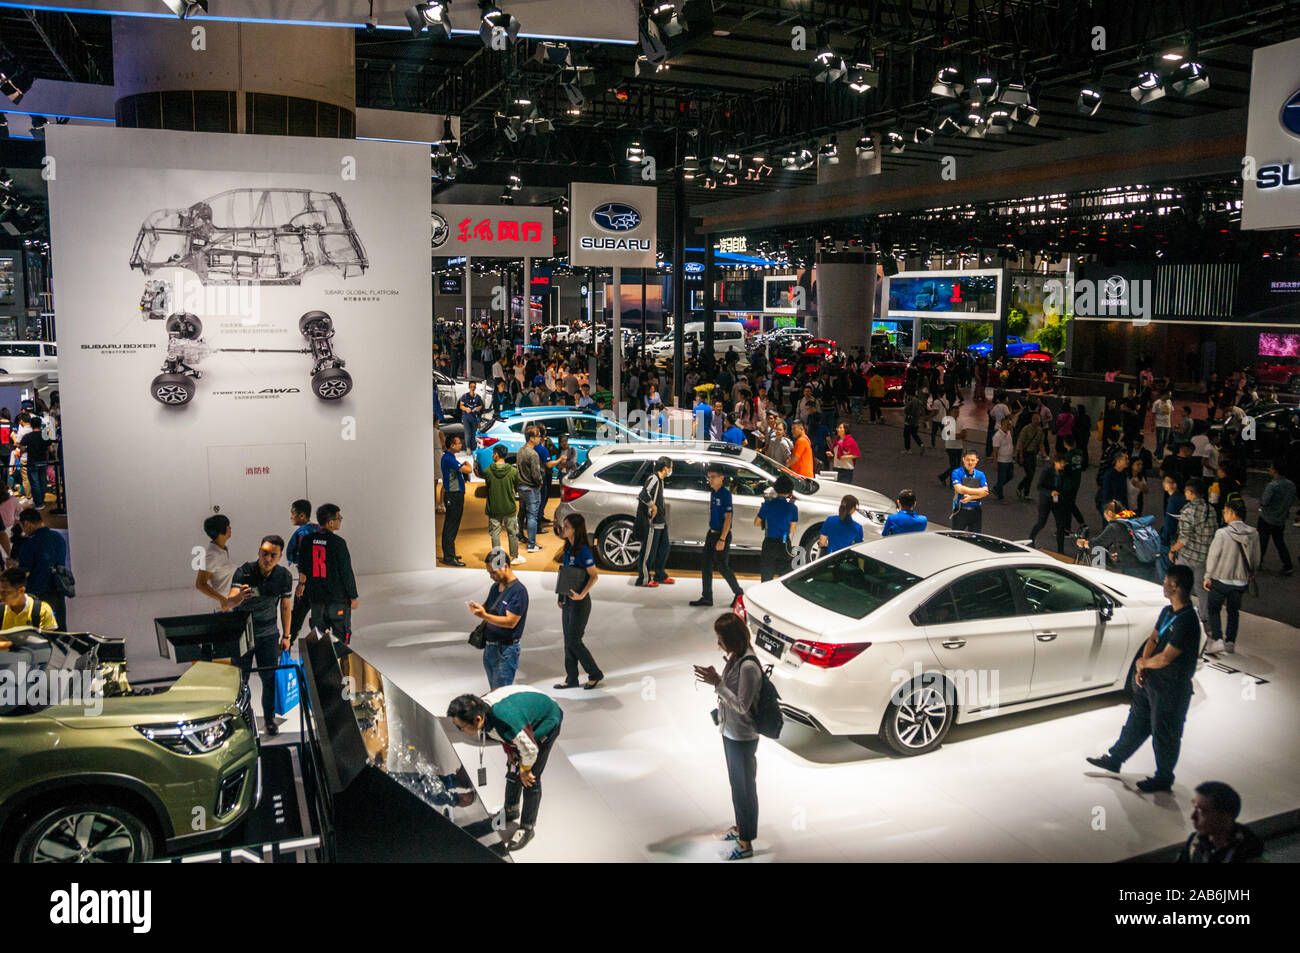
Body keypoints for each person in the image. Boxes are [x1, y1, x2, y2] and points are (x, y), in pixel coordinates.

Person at [1086, 565, 1199, 793]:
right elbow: (1154, 639)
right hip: (1152, 682)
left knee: (1165, 733)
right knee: (1136, 722)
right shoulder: (1168, 612)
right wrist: (1142, 666)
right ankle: (1115, 758)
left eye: (1166, 581)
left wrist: (1143, 663)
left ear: (1175, 585)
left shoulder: (1188, 620)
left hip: (1172, 688)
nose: (1163, 584)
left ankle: (1164, 777)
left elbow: (1167, 657)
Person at [447, 687, 562, 853]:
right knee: (513, 770)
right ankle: (511, 810)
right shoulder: (482, 710)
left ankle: (527, 827)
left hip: (546, 721)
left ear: (478, 719)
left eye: (461, 727)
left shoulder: (506, 720)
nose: (460, 731)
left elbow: (530, 749)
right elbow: (500, 733)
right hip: (521, 722)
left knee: (530, 779)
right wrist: (510, 751)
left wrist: (525, 769)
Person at [693, 613, 763, 861]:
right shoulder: (736, 658)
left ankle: (746, 842)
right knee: (738, 785)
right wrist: (719, 680)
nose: (718, 643)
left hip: (742, 736)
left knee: (744, 787)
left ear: (732, 639)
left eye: (720, 638)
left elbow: (743, 706)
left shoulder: (749, 666)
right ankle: (741, 828)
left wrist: (717, 684)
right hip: (730, 730)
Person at [231, 536, 293, 736]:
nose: (267, 558)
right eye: (264, 553)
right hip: (242, 633)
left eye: (273, 555)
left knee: (269, 678)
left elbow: (285, 606)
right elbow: (230, 601)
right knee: (240, 680)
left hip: (268, 634)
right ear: (258, 551)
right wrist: (240, 596)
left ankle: (269, 719)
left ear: (280, 556)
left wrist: (287, 635)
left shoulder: (284, 576)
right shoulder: (244, 572)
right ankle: (241, 718)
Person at [1202, 498, 1259, 655]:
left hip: (1221, 578)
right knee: (1234, 611)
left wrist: (1207, 576)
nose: (1224, 515)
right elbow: (1256, 558)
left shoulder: (1222, 533)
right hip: (1241, 581)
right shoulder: (1253, 533)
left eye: (1225, 512)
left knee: (1214, 609)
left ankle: (1218, 639)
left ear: (1232, 513)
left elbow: (1213, 557)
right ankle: (1230, 642)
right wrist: (1251, 573)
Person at [295, 503, 358, 644]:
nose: (340, 519)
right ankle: (341, 664)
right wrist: (353, 596)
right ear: (330, 523)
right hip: (337, 601)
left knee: (318, 639)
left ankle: (321, 664)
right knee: (341, 640)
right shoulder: (338, 543)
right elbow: (346, 572)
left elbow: (303, 568)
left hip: (317, 600)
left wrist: (301, 585)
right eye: (338, 517)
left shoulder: (307, 541)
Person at [468, 547, 530, 689]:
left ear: (505, 566)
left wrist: (484, 615)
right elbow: (490, 609)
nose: (491, 576)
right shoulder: (495, 588)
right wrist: (480, 609)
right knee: (493, 691)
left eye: (494, 572)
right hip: (490, 647)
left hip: (506, 651)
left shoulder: (518, 592)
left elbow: (511, 622)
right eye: (489, 573)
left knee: (501, 693)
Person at [552, 514, 602, 690]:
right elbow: (565, 573)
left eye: (566, 526)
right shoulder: (567, 548)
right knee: (568, 640)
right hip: (568, 601)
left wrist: (582, 594)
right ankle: (571, 677)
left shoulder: (583, 551)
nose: (563, 529)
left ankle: (594, 673)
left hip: (580, 603)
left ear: (575, 529)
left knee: (574, 640)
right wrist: (561, 596)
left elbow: (594, 575)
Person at [692, 464, 745, 608]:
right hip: (712, 533)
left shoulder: (725, 494)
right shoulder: (713, 493)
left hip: (722, 535)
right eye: (708, 477)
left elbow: (728, 517)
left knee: (722, 566)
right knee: (706, 565)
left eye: (713, 477)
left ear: (722, 478)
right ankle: (707, 597)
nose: (710, 480)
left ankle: (739, 593)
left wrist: (722, 538)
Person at [1175, 782, 1265, 863]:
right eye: (1194, 807)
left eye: (1201, 811)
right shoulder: (1195, 840)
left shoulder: (1247, 853)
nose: (1192, 816)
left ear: (1225, 818)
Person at [1169, 477, 1217, 625]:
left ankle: (1181, 613)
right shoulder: (1211, 509)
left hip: (1188, 555)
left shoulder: (1188, 511)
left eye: (1186, 492)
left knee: (1181, 586)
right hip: (1204, 555)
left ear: (1190, 492)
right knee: (1201, 588)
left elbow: (1184, 539)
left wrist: (1172, 550)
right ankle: (1204, 617)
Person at [1075, 500, 1153, 580]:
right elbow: (1128, 541)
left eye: (1105, 515)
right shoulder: (1130, 519)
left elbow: (1098, 543)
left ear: (1109, 513)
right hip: (1146, 562)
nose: (1106, 519)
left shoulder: (1114, 525)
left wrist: (1083, 543)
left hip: (1133, 567)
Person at [194, 514, 247, 614]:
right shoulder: (211, 555)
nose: (230, 528)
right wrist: (222, 599)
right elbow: (200, 584)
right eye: (227, 525)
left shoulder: (223, 550)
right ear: (221, 530)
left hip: (233, 604)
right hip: (223, 609)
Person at [483, 444, 526, 565]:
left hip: (493, 507)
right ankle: (515, 556)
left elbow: (488, 487)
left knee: (495, 533)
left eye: (493, 453)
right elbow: (517, 486)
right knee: (512, 532)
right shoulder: (513, 471)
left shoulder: (488, 471)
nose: (492, 455)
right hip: (509, 506)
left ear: (496, 454)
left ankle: (497, 559)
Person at [635, 456, 674, 587]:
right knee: (648, 552)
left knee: (664, 548)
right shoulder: (654, 478)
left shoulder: (660, 481)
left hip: (660, 521)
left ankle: (660, 575)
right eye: (670, 467)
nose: (671, 470)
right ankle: (644, 579)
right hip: (652, 522)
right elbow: (643, 494)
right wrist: (653, 505)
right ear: (665, 468)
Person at [755, 474, 799, 581]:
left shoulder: (767, 505)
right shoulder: (793, 508)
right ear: (790, 491)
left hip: (769, 542)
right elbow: (792, 529)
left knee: (766, 572)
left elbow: (756, 522)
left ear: (775, 488)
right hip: (784, 543)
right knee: (784, 576)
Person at [285, 499, 318, 638]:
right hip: (320, 580)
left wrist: (302, 583)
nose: (291, 517)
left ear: (302, 516)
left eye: (293, 513)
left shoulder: (303, 534)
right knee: (317, 614)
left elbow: (305, 561)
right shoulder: (317, 529)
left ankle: (287, 642)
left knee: (297, 614)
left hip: (308, 581)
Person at [438, 434, 472, 567]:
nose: (461, 445)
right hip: (453, 495)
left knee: (453, 524)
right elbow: (467, 469)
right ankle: (448, 556)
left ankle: (450, 553)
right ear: (452, 445)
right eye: (458, 443)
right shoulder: (448, 458)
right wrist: (467, 464)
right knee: (450, 526)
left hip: (455, 494)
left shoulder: (449, 457)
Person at [1257, 461, 1295, 577]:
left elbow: (1265, 501)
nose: (1270, 469)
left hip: (1267, 517)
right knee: (1279, 542)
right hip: (1280, 518)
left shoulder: (1272, 485)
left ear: (1275, 470)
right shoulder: (1291, 485)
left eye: (1271, 468)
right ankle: (1287, 565)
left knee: (1262, 542)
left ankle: (1258, 562)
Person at [1028, 453, 1070, 554]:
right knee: (1041, 523)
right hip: (1046, 501)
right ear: (1056, 462)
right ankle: (1030, 539)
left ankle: (1061, 550)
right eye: (1061, 464)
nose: (1063, 466)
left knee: (1060, 526)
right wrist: (1050, 492)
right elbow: (1039, 487)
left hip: (1057, 501)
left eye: (1064, 464)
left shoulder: (1063, 472)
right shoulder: (1047, 471)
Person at [516, 426, 545, 553]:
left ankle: (520, 535)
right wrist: (540, 482)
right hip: (531, 489)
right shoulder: (533, 454)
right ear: (532, 438)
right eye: (538, 436)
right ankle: (532, 545)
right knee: (532, 516)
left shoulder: (520, 450)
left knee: (521, 512)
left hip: (521, 487)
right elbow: (536, 474)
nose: (540, 438)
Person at [0, 566, 56, 631]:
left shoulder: (42, 610)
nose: (1, 597)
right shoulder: (1, 610)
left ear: (21, 590)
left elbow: (47, 639)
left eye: (6, 593)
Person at [950, 450, 989, 533]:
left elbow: (985, 492)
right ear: (963, 459)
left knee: (975, 538)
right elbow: (959, 489)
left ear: (977, 461)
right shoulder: (957, 472)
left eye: (973, 460)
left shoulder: (980, 474)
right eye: (968, 460)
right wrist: (979, 490)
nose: (970, 462)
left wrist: (971, 497)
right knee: (957, 537)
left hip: (976, 511)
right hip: (960, 511)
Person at [1014, 409, 1044, 501]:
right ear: (1032, 419)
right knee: (1030, 474)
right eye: (1035, 419)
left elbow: (1040, 443)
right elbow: (1021, 443)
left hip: (1033, 454)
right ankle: (1020, 488)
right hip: (1026, 454)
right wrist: (1021, 456)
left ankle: (1026, 493)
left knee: (1032, 474)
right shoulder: (1026, 429)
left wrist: (1043, 453)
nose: (1036, 421)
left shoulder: (1040, 431)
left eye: (1038, 419)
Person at [990, 416, 1015, 501]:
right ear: (1002, 424)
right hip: (1002, 461)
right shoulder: (997, 436)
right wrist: (995, 462)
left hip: (1009, 460)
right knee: (1001, 478)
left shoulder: (1008, 433)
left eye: (1010, 424)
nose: (1009, 426)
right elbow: (995, 451)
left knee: (1010, 476)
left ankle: (996, 488)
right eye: (1007, 424)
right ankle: (1000, 497)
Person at [458, 380, 484, 453]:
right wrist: (466, 409)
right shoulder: (465, 396)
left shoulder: (478, 397)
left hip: (474, 417)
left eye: (474, 387)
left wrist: (477, 408)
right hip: (466, 417)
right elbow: (461, 406)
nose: (473, 388)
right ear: (469, 387)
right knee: (468, 433)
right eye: (471, 387)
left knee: (474, 432)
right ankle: (468, 447)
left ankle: (474, 447)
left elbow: (480, 406)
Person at [902, 390, 925, 455]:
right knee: (914, 434)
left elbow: (906, 410)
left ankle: (908, 449)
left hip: (909, 421)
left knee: (906, 435)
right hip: (916, 421)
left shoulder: (911, 402)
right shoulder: (920, 402)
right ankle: (921, 444)